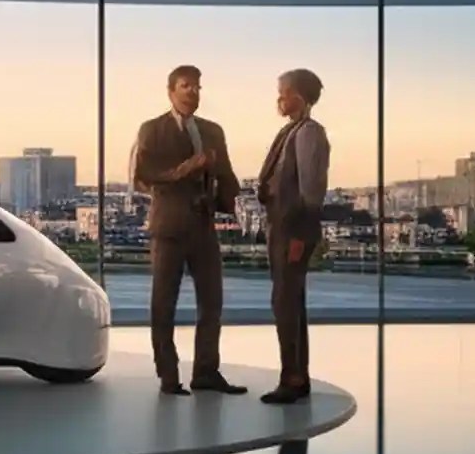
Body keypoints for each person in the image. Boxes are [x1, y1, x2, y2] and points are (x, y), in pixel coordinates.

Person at [132, 65, 245, 396]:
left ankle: (206, 372)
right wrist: (186, 169)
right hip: (168, 228)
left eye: (197, 86)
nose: (193, 92)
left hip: (203, 225)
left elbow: (225, 171)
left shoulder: (213, 130)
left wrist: (235, 194)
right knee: (163, 305)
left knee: (212, 303)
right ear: (170, 91)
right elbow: (144, 173)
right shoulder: (152, 129)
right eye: (186, 86)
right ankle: (169, 376)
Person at [257, 69, 330, 404]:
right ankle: (296, 374)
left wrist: (299, 235)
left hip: (293, 231)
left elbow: (311, 192)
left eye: (284, 92)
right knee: (288, 302)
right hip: (283, 229)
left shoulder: (309, 134)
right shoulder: (292, 131)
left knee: (285, 302)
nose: (279, 99)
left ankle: (293, 378)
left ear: (299, 96)